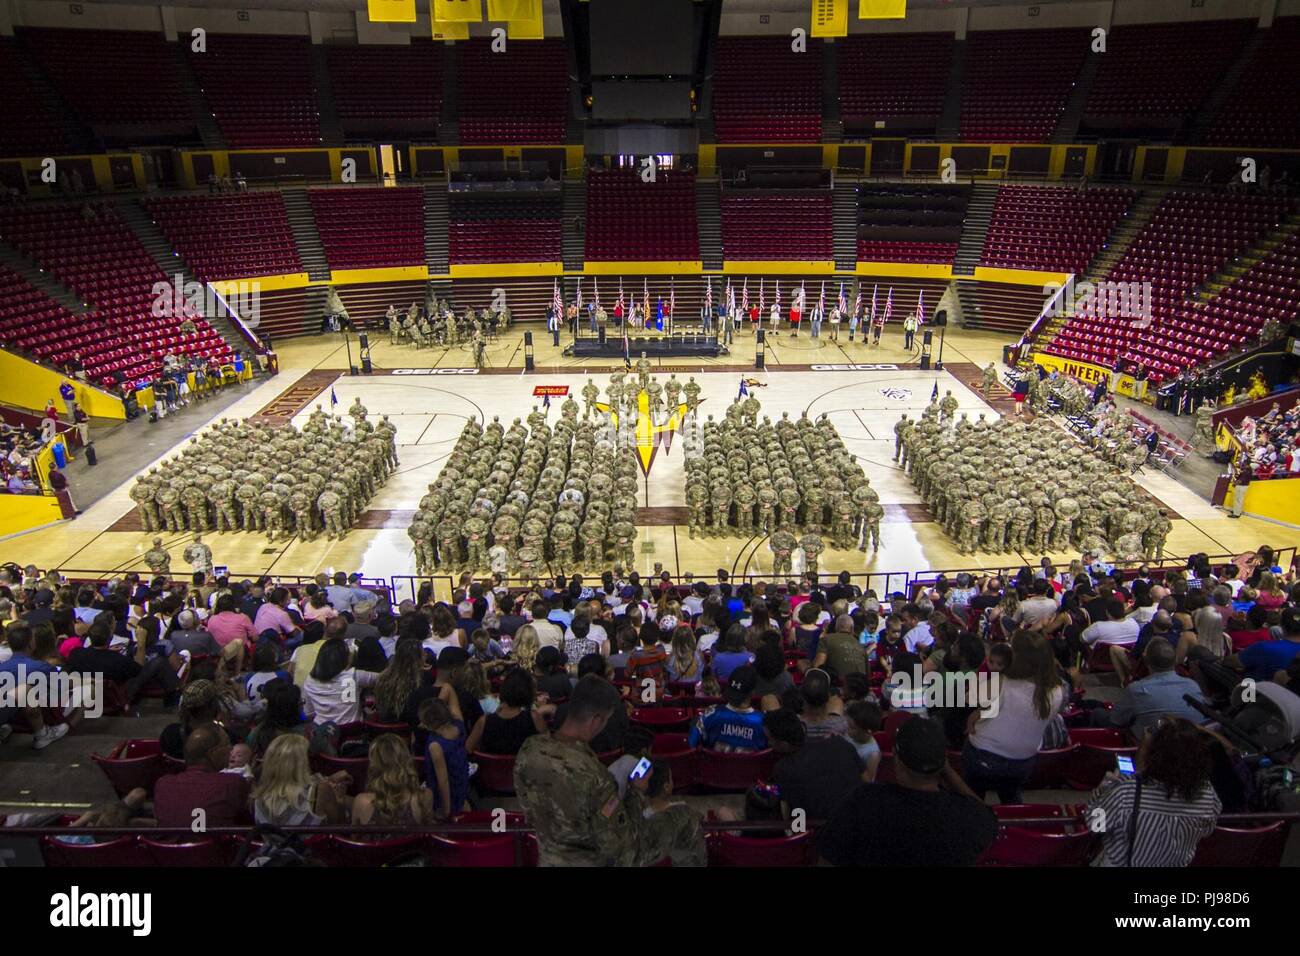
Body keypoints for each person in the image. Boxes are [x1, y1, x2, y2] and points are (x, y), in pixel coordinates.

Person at [515, 674, 688, 866]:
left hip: (548, 857)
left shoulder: (528, 749)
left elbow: (529, 810)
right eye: (605, 720)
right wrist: (636, 791)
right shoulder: (596, 776)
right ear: (596, 720)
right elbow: (624, 852)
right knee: (686, 819)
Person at [819, 716, 997, 866]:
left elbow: (827, 859)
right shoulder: (967, 815)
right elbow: (987, 815)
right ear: (944, 761)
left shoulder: (863, 800)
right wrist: (948, 772)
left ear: (897, 760)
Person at [1086, 718, 1222, 866]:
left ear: (1154, 754)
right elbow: (1208, 830)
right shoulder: (1208, 796)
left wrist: (1102, 791)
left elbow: (1095, 825)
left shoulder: (1127, 792)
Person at [962, 631, 1065, 803]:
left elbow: (967, 698)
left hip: (984, 756)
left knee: (973, 795)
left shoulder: (1002, 683)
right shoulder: (1058, 690)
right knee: (1011, 794)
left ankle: (973, 814)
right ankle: (1014, 822)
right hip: (1024, 760)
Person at [765, 707, 865, 822]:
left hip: (820, 833)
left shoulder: (783, 768)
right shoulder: (840, 743)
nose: (768, 743)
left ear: (783, 744)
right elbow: (866, 780)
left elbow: (786, 812)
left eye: (769, 739)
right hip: (858, 820)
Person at [153, 722, 251, 828]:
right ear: (213, 754)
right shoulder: (234, 783)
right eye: (227, 745)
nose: (231, 750)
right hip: (216, 844)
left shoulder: (163, 784)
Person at [1105, 638, 1206, 739]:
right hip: (1191, 745)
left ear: (1146, 661)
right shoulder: (1193, 685)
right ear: (1175, 661)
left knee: (1097, 713)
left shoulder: (1137, 689)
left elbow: (1116, 720)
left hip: (1151, 748)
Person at [253, 733, 348, 826]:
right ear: (302, 763)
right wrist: (340, 800)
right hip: (312, 842)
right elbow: (340, 828)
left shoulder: (258, 798)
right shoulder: (319, 791)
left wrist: (328, 779)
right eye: (309, 756)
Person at [352, 733, 435, 828]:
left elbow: (354, 840)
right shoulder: (424, 797)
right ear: (406, 761)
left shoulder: (361, 802)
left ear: (374, 765)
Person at [688, 664, 767, 752]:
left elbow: (691, 744)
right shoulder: (763, 722)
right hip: (750, 765)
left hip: (714, 765)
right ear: (753, 692)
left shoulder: (711, 714)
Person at [420, 687, 470, 819]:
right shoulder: (459, 725)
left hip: (445, 798)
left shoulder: (435, 746)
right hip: (462, 788)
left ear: (429, 724)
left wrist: (446, 811)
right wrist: (436, 707)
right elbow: (448, 688)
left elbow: (443, 781)